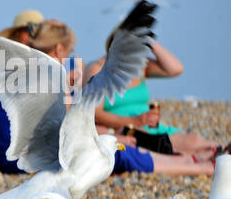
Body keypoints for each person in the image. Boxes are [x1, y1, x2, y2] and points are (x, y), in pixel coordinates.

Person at [86, 33, 219, 158]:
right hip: (124, 130)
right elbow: (94, 113)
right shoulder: (98, 68)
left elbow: (175, 69)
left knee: (194, 140)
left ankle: (221, 153)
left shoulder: (139, 65)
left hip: (149, 126)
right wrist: (134, 121)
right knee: (186, 150)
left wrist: (150, 41)